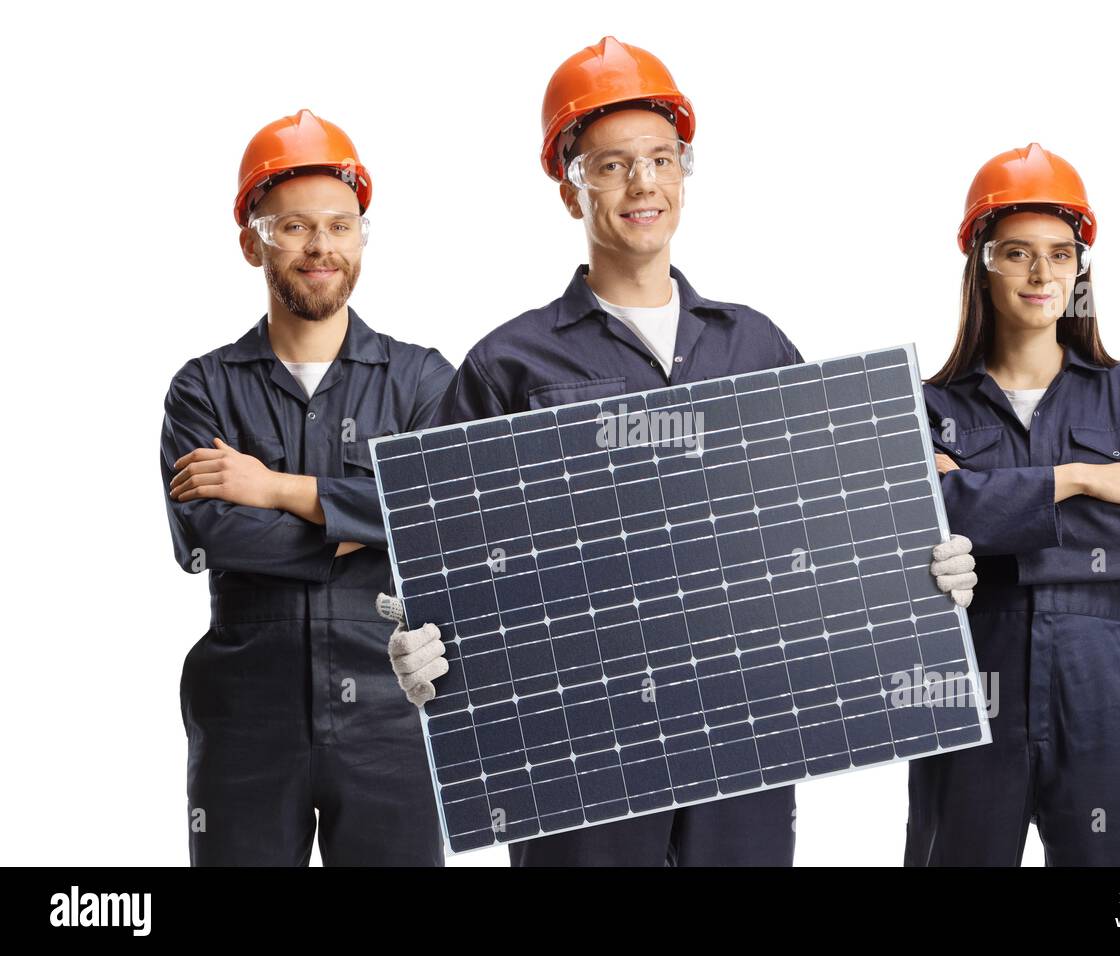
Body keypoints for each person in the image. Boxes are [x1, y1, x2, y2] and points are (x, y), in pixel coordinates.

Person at [385, 37, 976, 866]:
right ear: (570, 188)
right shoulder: (507, 364)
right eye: (613, 165)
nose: (644, 183)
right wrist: (420, 651)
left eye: (662, 159)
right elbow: (442, 547)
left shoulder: (758, 345)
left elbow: (822, 519)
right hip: (579, 749)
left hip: (745, 729)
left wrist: (921, 567)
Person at [161, 109, 454, 865]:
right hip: (244, 722)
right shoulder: (203, 389)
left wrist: (276, 489)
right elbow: (210, 535)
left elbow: (444, 514)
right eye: (292, 227)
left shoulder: (423, 381)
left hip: (395, 713)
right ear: (251, 240)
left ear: (361, 236)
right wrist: (365, 522)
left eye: (341, 225)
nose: (321, 246)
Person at [905, 143, 1120, 866]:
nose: (1042, 275)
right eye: (1018, 254)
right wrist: (1082, 479)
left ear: (1079, 269)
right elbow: (918, 523)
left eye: (1061, 255)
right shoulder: (926, 409)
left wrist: (979, 511)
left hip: (1104, 691)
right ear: (982, 264)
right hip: (968, 685)